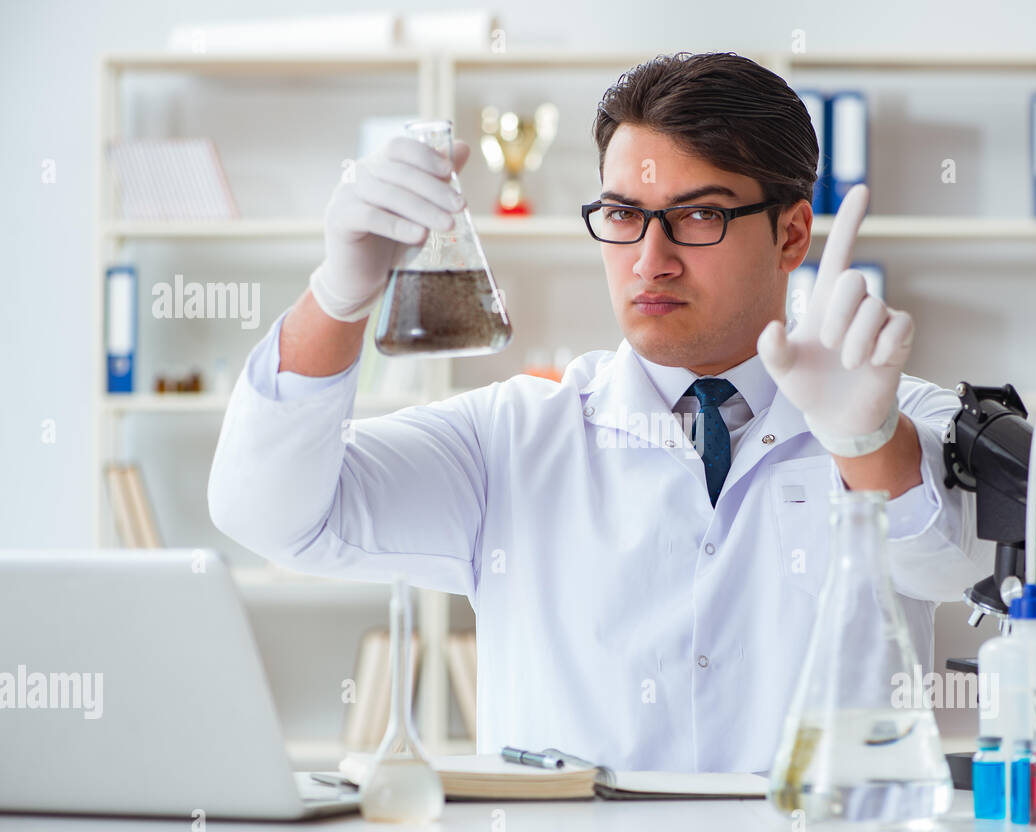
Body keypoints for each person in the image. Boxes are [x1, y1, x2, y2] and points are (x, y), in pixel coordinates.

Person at [208, 52, 994, 772]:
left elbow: (958, 564)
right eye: (623, 215)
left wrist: (863, 442)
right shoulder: (510, 440)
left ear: (790, 233)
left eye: (696, 216)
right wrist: (337, 296)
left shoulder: (895, 412)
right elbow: (274, 514)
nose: (651, 259)